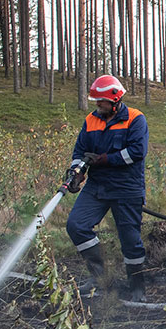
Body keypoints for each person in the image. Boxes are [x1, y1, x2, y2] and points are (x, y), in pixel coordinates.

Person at [63, 75, 149, 301]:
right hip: (97, 187)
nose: (97, 104)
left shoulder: (135, 119)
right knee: (76, 225)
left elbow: (137, 152)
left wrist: (105, 159)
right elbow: (80, 151)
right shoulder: (91, 120)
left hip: (127, 188)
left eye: (101, 101)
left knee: (130, 240)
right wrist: (77, 172)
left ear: (115, 99)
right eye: (96, 100)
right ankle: (101, 277)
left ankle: (137, 286)